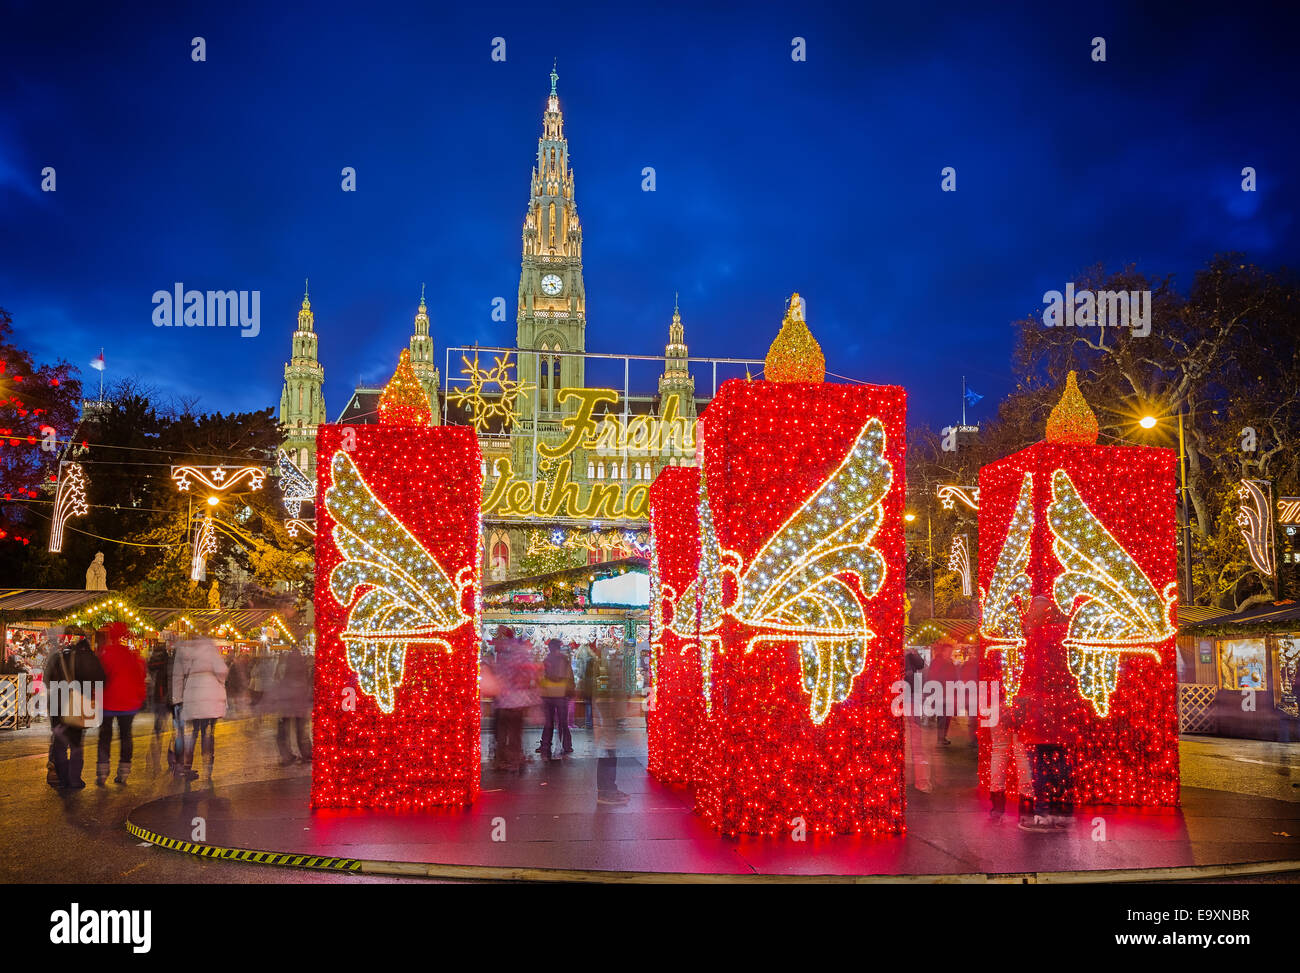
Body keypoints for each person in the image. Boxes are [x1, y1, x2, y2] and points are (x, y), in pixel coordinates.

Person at [44, 633, 105, 790]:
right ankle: (75, 779)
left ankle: (63, 778)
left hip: (57, 703)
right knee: (76, 743)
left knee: (59, 743)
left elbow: (46, 679)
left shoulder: (57, 658)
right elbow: (101, 679)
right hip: (78, 704)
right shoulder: (88, 658)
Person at [95, 622, 146, 786]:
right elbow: (140, 676)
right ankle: (124, 771)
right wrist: (140, 696)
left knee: (105, 736)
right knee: (126, 736)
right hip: (129, 702)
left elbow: (100, 677)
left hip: (108, 701)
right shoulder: (131, 655)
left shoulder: (106, 653)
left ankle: (102, 772)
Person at [171, 637, 228, 782]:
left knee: (192, 733)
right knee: (208, 733)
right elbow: (222, 670)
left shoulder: (183, 649)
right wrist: (219, 681)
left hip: (191, 695)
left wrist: (177, 699)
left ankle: (187, 766)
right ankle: (207, 768)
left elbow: (177, 675)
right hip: (210, 697)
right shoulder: (210, 647)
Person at [494, 635, 537, 772]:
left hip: (502, 702)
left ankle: (500, 760)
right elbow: (528, 677)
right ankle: (514, 760)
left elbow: (498, 677)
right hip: (516, 702)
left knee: (502, 734)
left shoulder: (503, 657)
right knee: (515, 734)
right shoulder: (522, 655)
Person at [273, 646, 313, 765]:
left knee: (283, 731)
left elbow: (281, 685)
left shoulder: (287, 671)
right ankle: (307, 755)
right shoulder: (303, 669)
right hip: (300, 704)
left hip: (288, 704)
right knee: (301, 731)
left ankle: (287, 756)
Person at [146, 640, 181, 776]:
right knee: (174, 731)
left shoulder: (157, 663)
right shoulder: (168, 661)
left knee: (159, 731)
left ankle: (155, 760)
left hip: (161, 699)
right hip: (171, 699)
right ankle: (171, 760)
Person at [538, 639, 574, 760]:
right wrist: (570, 690)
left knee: (549, 722)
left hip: (549, 694)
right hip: (561, 693)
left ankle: (545, 745)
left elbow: (541, 676)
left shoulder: (547, 660)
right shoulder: (564, 660)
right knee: (563, 722)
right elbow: (570, 676)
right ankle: (567, 745)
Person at [926, 637, 960, 745]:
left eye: (951, 652)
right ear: (944, 652)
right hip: (941, 693)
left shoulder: (949, 662)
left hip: (949, 693)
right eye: (949, 652)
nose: (950, 653)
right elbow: (933, 677)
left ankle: (943, 737)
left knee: (947, 716)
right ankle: (940, 738)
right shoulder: (938, 662)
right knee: (942, 717)